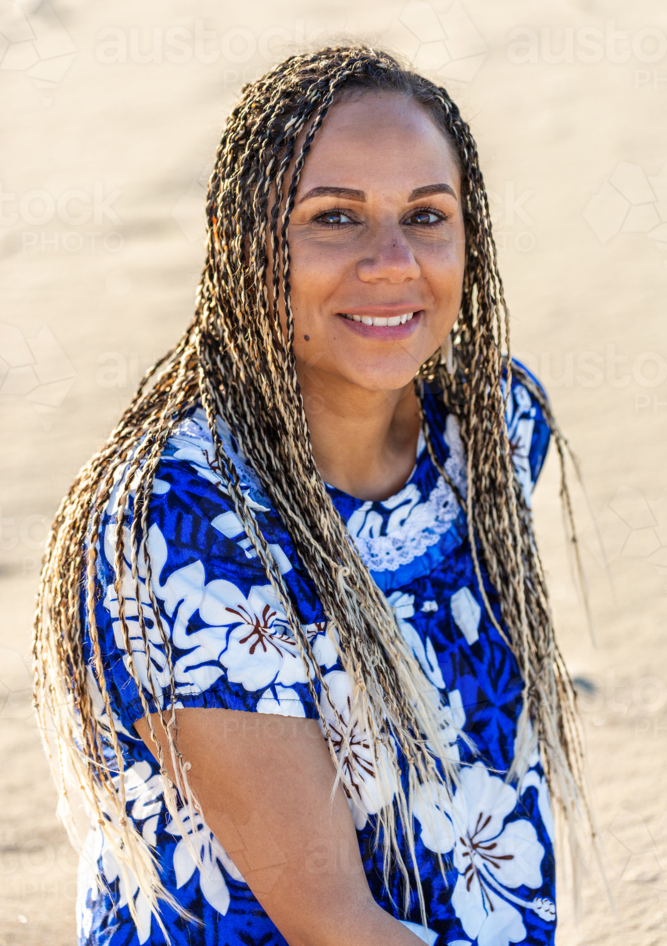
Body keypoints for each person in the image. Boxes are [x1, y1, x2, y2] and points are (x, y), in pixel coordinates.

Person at [34, 46, 586, 946]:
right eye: (335, 218)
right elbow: (333, 925)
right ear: (241, 239)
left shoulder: (489, 424)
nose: (391, 260)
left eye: (425, 215)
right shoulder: (182, 522)